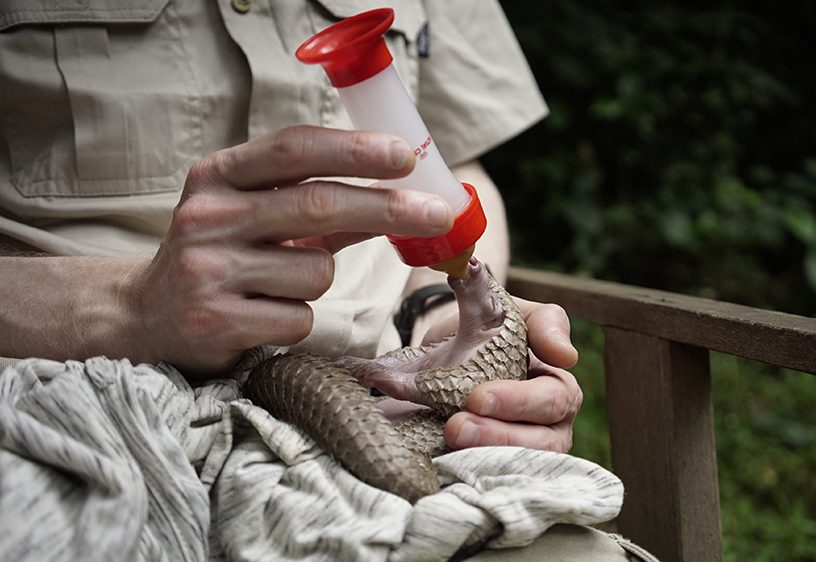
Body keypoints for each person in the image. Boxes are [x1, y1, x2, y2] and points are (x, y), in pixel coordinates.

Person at [0, 1, 653, 560]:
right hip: (68, 390)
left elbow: (462, 161)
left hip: (382, 396)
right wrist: (128, 303)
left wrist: (440, 317)